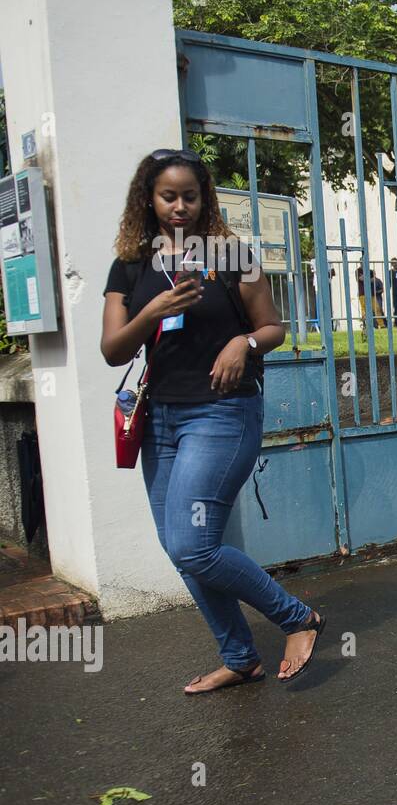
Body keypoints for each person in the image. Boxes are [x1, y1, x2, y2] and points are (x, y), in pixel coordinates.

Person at [100, 148, 324, 694]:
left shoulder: (231, 255)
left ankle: (298, 617)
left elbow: (274, 327)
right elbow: (111, 349)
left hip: (221, 414)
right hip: (160, 421)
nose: (180, 207)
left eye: (190, 196)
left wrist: (241, 342)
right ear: (148, 200)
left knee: (193, 546)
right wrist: (151, 311)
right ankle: (240, 656)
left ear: (204, 199)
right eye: (168, 196)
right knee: (182, 548)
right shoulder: (130, 264)